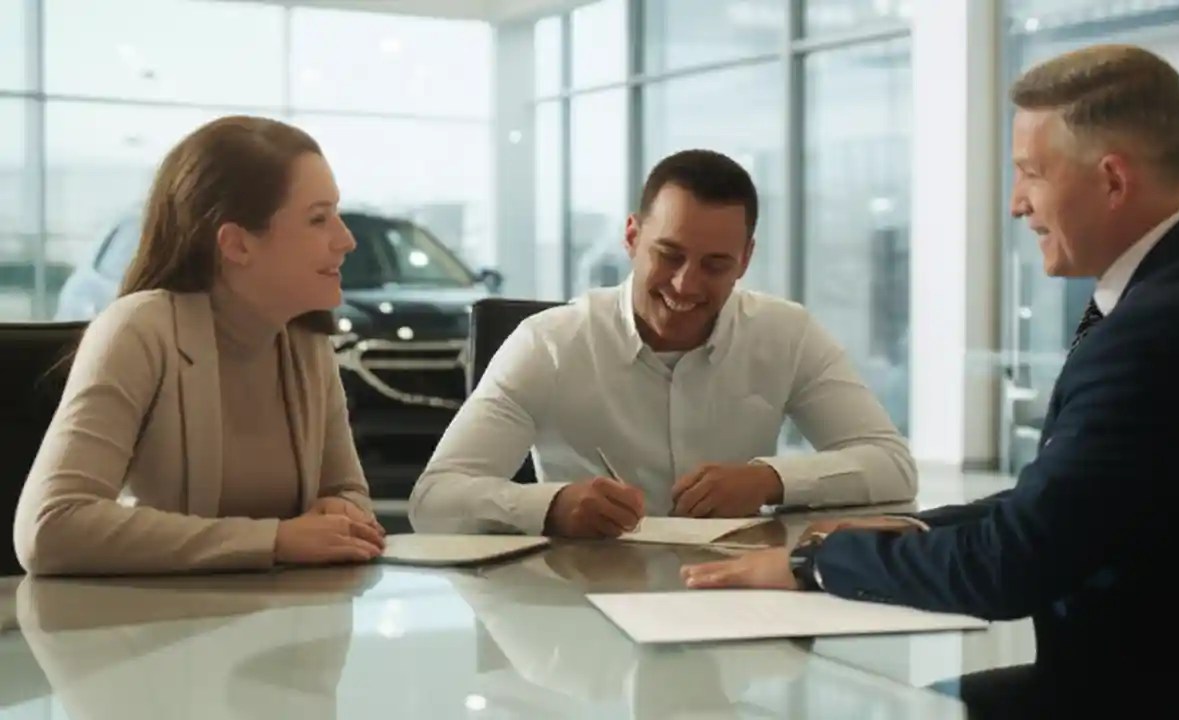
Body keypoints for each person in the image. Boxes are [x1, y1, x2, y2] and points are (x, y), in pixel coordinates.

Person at [680, 45, 1179, 714]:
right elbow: (1061, 503)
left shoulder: (1163, 328)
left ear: (1113, 180)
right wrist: (912, 531)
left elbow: (1011, 567)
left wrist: (812, 567)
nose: (1017, 203)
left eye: (1030, 172)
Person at [411, 149, 917, 537]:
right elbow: (434, 500)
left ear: (745, 259)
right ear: (632, 237)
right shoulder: (550, 343)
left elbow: (892, 466)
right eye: (669, 255)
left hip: (732, 600)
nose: (685, 285)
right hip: (579, 604)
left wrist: (770, 480)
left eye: (715, 265)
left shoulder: (786, 334)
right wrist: (553, 506)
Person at [14, 115, 386, 576]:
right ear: (236, 244)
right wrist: (274, 540)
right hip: (142, 635)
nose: (345, 240)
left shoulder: (304, 342)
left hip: (280, 629)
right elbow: (50, 528)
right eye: (318, 219)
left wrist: (343, 514)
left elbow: (349, 494)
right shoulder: (139, 330)